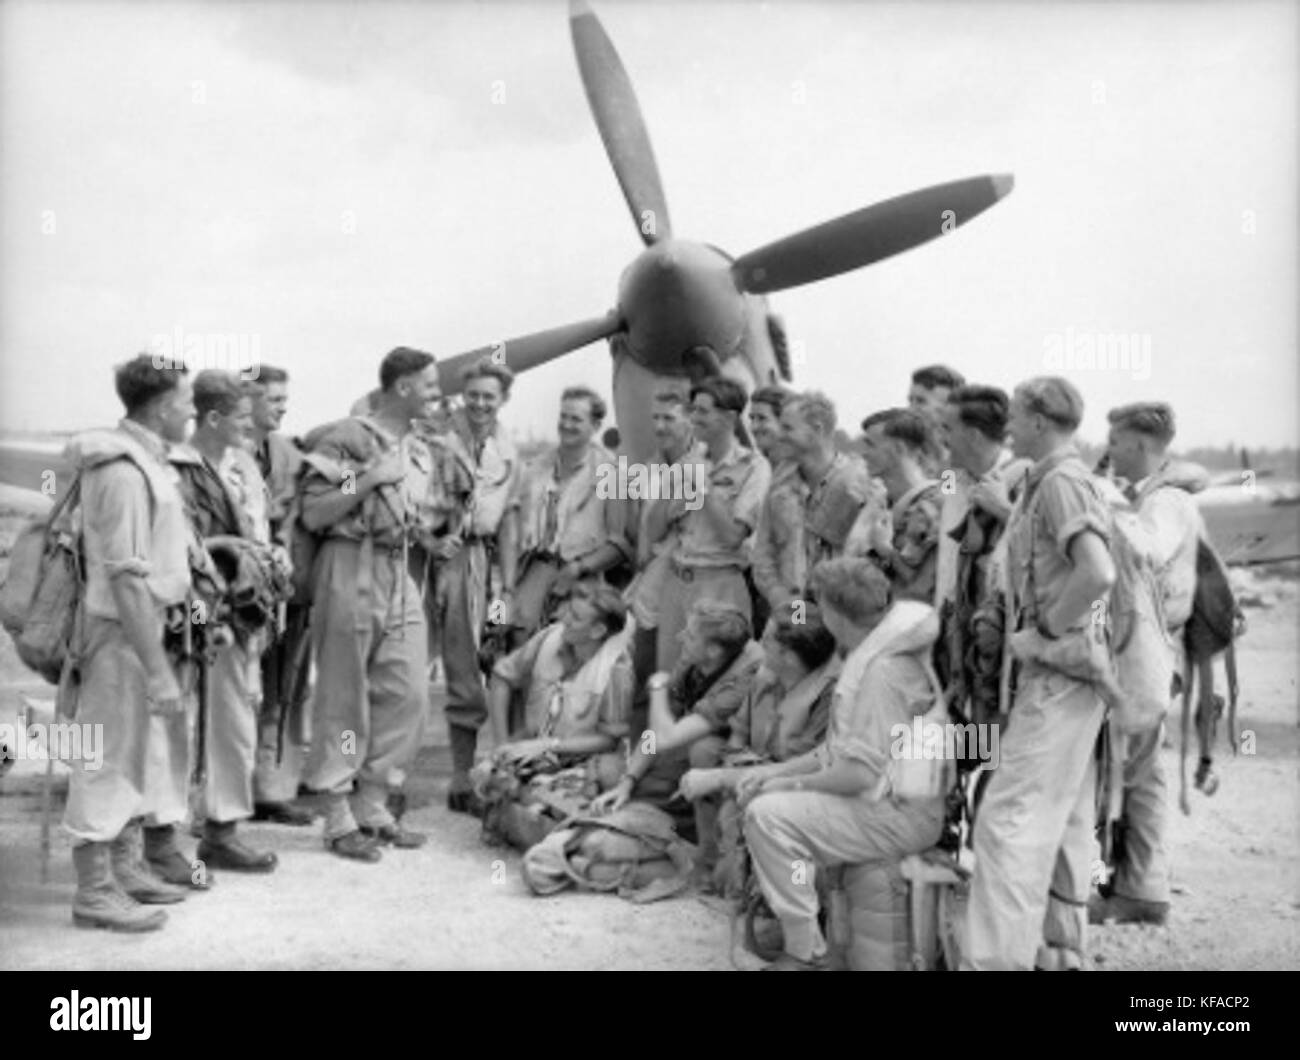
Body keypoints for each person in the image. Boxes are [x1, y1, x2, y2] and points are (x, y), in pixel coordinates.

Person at [962, 376, 1116, 971]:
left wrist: (1048, 630)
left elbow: (1096, 572)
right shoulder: (1050, 481)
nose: (1010, 427)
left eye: (1019, 416)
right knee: (1063, 815)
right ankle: (1056, 951)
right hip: (1069, 679)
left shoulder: (1059, 483)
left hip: (1058, 675)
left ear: (1040, 421)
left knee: (1008, 826)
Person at [725, 559, 947, 970]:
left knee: (768, 817)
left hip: (901, 814)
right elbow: (836, 753)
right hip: (891, 803)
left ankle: (803, 951)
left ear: (832, 611)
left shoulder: (881, 672)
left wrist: (784, 789)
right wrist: (773, 773)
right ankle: (816, 937)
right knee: (770, 798)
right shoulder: (874, 656)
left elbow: (859, 773)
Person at [61, 354, 196, 930]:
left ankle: (123, 869)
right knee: (105, 759)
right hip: (120, 635)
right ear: (163, 407)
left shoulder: (145, 460)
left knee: (141, 753)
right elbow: (124, 578)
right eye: (188, 402)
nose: (192, 411)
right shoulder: (120, 469)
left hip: (139, 632)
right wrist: (158, 671)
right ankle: (93, 892)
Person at [298, 347, 445, 860]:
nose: (437, 393)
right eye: (429, 385)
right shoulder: (349, 439)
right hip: (350, 566)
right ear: (402, 387)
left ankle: (374, 799)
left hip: (397, 567)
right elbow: (316, 511)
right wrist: (369, 479)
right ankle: (338, 816)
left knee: (409, 691)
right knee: (344, 696)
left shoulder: (421, 448)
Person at [1091, 402, 1202, 927]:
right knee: (1139, 771)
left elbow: (1150, 551)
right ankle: (1138, 884)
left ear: (1137, 445)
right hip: (1150, 649)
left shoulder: (1167, 503)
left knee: (1133, 771)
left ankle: (1137, 888)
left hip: (1150, 654)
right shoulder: (1161, 497)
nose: (1107, 450)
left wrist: (1106, 506)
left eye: (1114, 441)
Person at [170, 370, 282, 872]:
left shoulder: (243, 467)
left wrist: (269, 559)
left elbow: (256, 528)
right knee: (182, 723)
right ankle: (164, 840)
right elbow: (178, 549)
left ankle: (222, 829)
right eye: (240, 417)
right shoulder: (176, 469)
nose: (249, 424)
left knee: (236, 720)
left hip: (240, 613)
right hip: (194, 612)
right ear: (212, 418)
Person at [677, 605, 839, 888]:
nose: (758, 647)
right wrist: (733, 768)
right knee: (704, 751)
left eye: (766, 641)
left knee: (732, 873)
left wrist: (721, 779)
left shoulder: (827, 696)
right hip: (753, 765)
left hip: (796, 783)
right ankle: (710, 856)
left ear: (787, 657)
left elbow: (801, 771)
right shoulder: (766, 675)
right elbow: (738, 735)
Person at [593, 601, 764, 837]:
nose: (680, 637)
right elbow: (656, 731)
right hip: (684, 747)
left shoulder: (742, 679)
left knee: (700, 752)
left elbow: (667, 737)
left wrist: (657, 687)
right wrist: (628, 780)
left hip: (733, 762)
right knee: (618, 779)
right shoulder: (696, 659)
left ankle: (701, 843)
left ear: (713, 650)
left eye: (691, 636)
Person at [436, 358, 522, 814]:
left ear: (503, 399)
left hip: (484, 564)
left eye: (490, 396)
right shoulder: (440, 438)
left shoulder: (508, 449)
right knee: (439, 663)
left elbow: (509, 521)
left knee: (487, 657)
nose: (480, 403)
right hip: (443, 560)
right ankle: (448, 777)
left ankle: (480, 776)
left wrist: (506, 588)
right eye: (473, 395)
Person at [655, 377, 770, 672]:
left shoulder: (754, 468)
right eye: (692, 410)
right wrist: (666, 493)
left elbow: (733, 536)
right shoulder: (686, 463)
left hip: (719, 586)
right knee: (669, 677)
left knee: (717, 677)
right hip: (676, 583)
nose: (694, 418)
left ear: (730, 417)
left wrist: (702, 487)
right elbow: (656, 530)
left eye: (703, 412)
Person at [934, 385, 1029, 736]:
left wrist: (1004, 510)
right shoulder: (954, 483)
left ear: (972, 435)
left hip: (1008, 648)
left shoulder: (1027, 478)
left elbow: (1051, 548)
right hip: (964, 641)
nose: (941, 438)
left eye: (947, 428)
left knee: (1005, 750)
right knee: (978, 745)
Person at [245, 366, 316, 826]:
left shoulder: (289, 453)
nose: (283, 407)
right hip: (240, 596)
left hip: (286, 594)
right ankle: (216, 799)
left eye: (284, 399)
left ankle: (270, 789)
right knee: (234, 696)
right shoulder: (221, 454)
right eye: (273, 399)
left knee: (281, 692)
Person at [512, 387, 631, 638]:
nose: (566, 424)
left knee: (569, 643)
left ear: (596, 426)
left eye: (576, 419)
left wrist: (577, 569)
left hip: (583, 578)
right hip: (533, 571)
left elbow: (619, 545)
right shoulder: (535, 467)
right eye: (563, 416)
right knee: (509, 633)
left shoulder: (612, 473)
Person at [486, 581, 634, 767]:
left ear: (597, 631)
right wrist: (502, 744)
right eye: (568, 610)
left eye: (576, 618)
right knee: (485, 780)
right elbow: (501, 677)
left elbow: (609, 739)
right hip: (530, 751)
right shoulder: (550, 637)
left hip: (583, 763)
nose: (565, 620)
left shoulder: (616, 670)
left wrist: (548, 746)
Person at [755, 391, 877, 612]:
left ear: (818, 430)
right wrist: (779, 598)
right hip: (787, 608)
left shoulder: (856, 483)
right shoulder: (780, 482)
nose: (779, 435)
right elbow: (763, 551)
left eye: (788, 428)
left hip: (838, 614)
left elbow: (867, 558)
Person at [623, 387, 696, 735]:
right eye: (655, 418)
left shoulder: (703, 466)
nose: (660, 426)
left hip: (689, 585)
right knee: (644, 671)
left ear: (690, 420)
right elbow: (641, 530)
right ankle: (641, 751)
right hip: (649, 588)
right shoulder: (647, 469)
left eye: (669, 418)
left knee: (683, 676)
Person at [847, 408, 943, 603]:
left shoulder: (932, 505)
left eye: (871, 445)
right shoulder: (882, 503)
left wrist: (885, 550)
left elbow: (925, 588)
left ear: (898, 449)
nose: (864, 454)